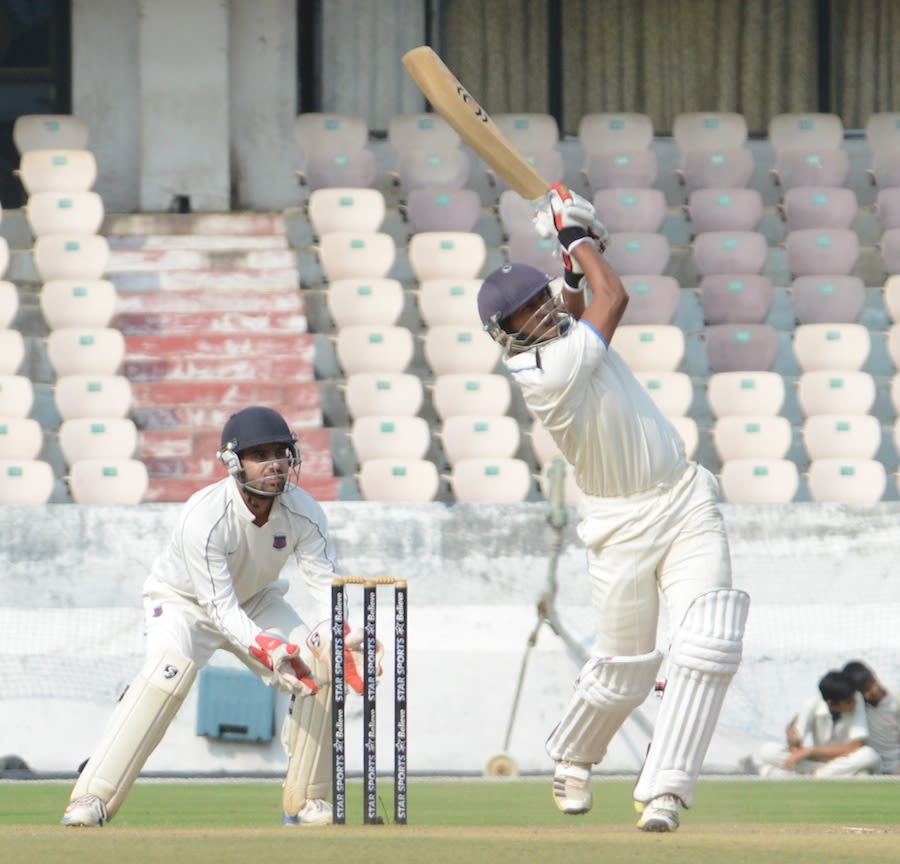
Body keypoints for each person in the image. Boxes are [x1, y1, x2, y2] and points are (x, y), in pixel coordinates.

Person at [476, 183, 749, 832]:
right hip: (620, 525)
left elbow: (576, 297)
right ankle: (573, 755)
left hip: (684, 502)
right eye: (525, 315)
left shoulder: (561, 326)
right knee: (626, 672)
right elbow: (613, 297)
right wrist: (574, 239)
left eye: (540, 301)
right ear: (507, 335)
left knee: (709, 642)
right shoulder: (541, 371)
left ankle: (665, 793)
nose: (541, 314)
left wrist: (570, 252)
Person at [62, 406, 362, 827]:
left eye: (281, 452)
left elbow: (325, 582)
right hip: (185, 603)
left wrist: (342, 634)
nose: (275, 464)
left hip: (257, 598)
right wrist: (266, 645)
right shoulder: (203, 515)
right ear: (234, 463)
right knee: (168, 671)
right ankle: (91, 797)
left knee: (321, 663)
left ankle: (306, 802)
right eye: (261, 455)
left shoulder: (305, 510)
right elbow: (219, 607)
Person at [754, 669, 880, 777]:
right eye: (848, 702)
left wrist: (810, 751)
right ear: (832, 704)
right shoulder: (811, 704)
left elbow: (855, 746)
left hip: (844, 760)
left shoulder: (856, 699)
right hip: (821, 763)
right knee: (766, 751)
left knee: (870, 756)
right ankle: (826, 775)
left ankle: (812, 776)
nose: (854, 703)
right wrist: (791, 732)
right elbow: (795, 747)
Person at [843, 660, 900, 774]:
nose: (873, 691)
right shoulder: (858, 707)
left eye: (873, 684)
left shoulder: (896, 700)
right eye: (865, 690)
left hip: (896, 766)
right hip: (872, 768)